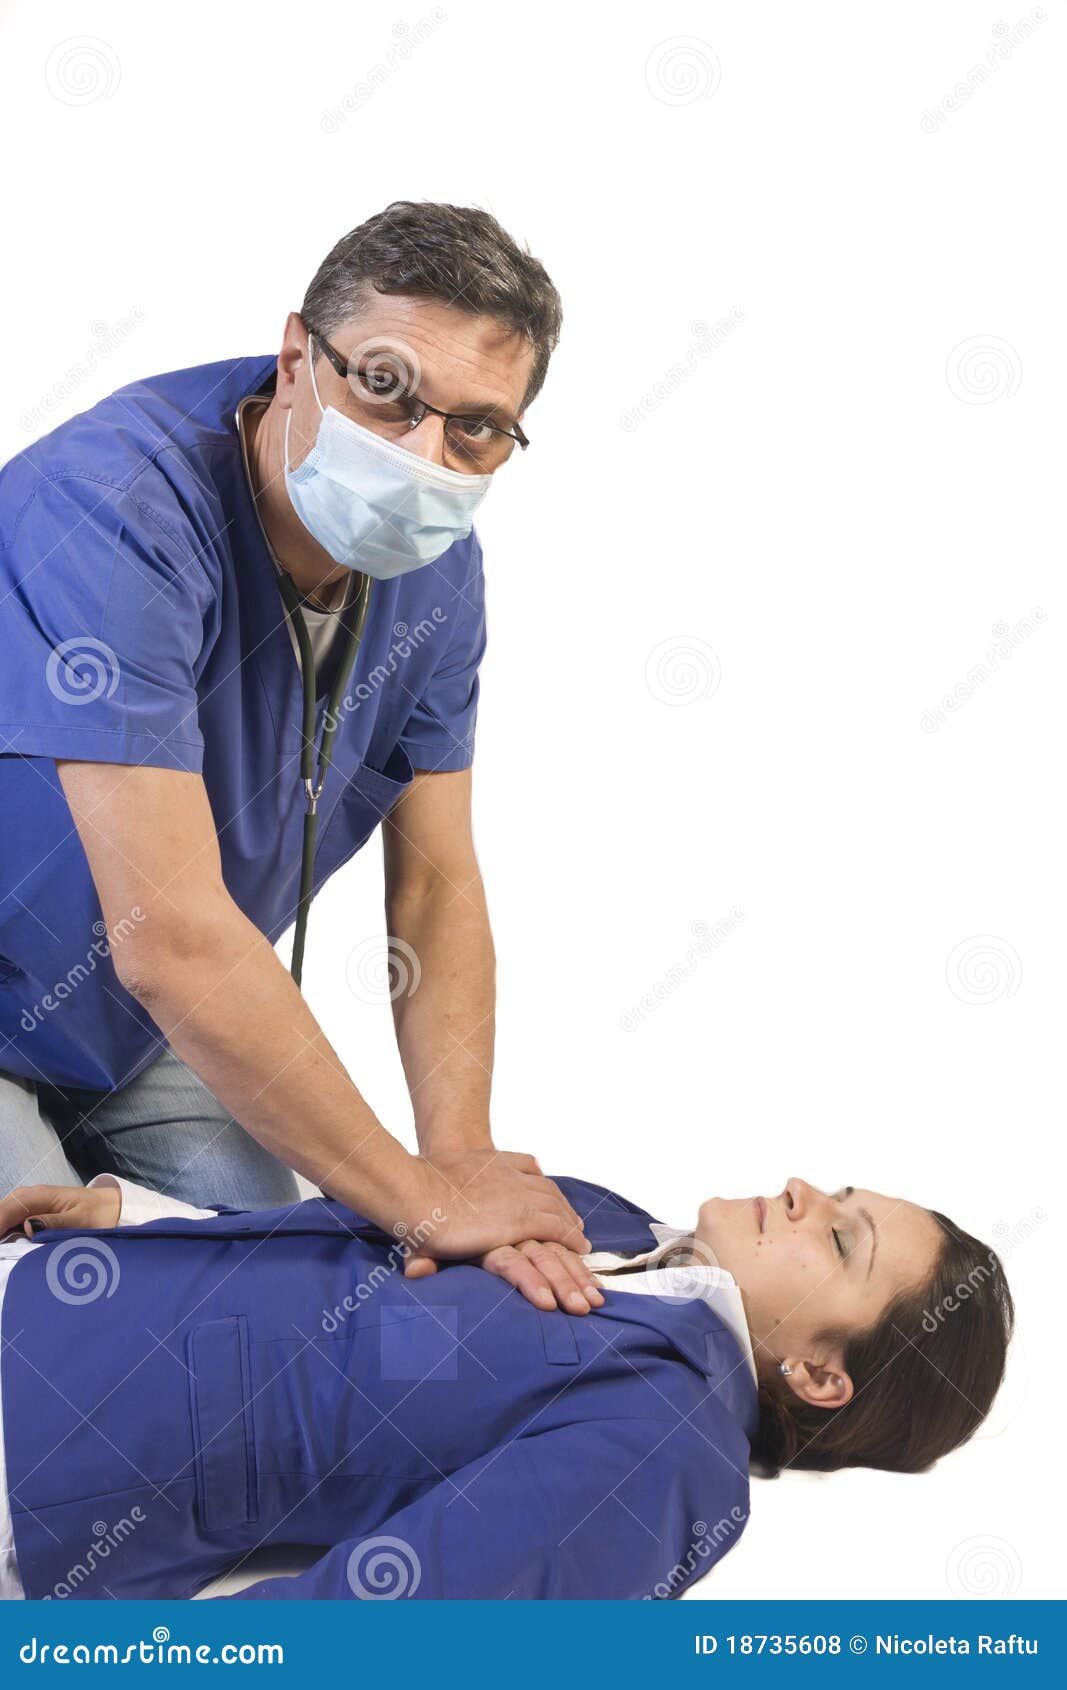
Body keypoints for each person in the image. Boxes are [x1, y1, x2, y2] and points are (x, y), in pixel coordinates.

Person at [0, 202, 588, 1300]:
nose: (424, 453)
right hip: (120, 972)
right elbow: (170, 936)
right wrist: (420, 1200)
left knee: (295, 1298)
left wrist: (455, 1155)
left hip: (131, 1030)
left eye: (475, 427)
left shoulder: (437, 572)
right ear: (295, 356)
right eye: (385, 387)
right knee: (38, 1317)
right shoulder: (118, 507)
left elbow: (436, 885)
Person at [0, 1171, 1012, 1601]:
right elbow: (356, 1245)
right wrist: (136, 1218)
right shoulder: (608, 1222)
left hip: (39, 1451)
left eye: (838, 1237)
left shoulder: (670, 1456)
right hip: (45, 1282)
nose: (800, 1192)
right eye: (832, 1190)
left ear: (818, 1375)